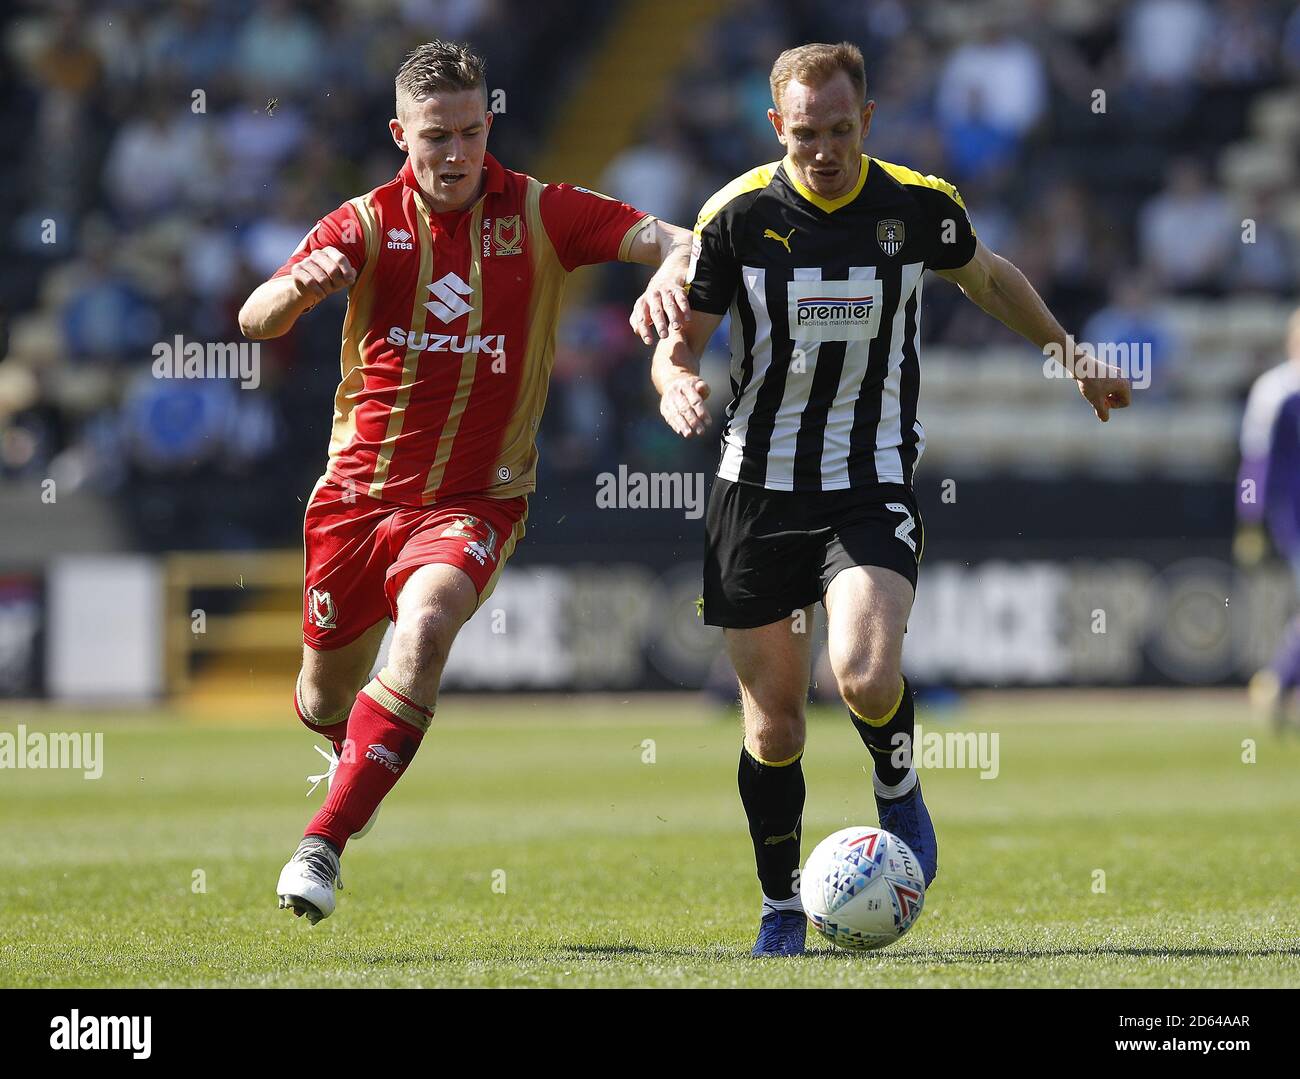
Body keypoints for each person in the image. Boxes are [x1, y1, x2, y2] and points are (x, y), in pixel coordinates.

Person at [650, 41, 1130, 956]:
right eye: (804, 134)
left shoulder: (916, 206)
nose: (823, 149)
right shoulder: (738, 217)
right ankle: (781, 905)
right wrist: (674, 378)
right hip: (754, 487)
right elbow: (681, 338)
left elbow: (989, 278)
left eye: (839, 130)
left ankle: (898, 789)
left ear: (866, 121)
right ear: (774, 127)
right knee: (777, 727)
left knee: (865, 677)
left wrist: (1071, 354)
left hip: (867, 481)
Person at [238, 39, 692, 924]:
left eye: (471, 133)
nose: (454, 155)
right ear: (399, 133)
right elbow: (256, 314)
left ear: (491, 124)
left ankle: (321, 843)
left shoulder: (542, 212)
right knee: (324, 696)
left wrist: (674, 264)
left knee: (431, 617)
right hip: (356, 499)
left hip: (476, 497)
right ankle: (352, 749)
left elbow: (673, 236)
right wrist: (298, 292)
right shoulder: (365, 224)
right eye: (434, 137)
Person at [1235, 308, 1300, 732]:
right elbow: (1255, 464)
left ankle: (1278, 680)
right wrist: (1251, 520)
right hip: (1293, 511)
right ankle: (1279, 679)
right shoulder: (1277, 390)